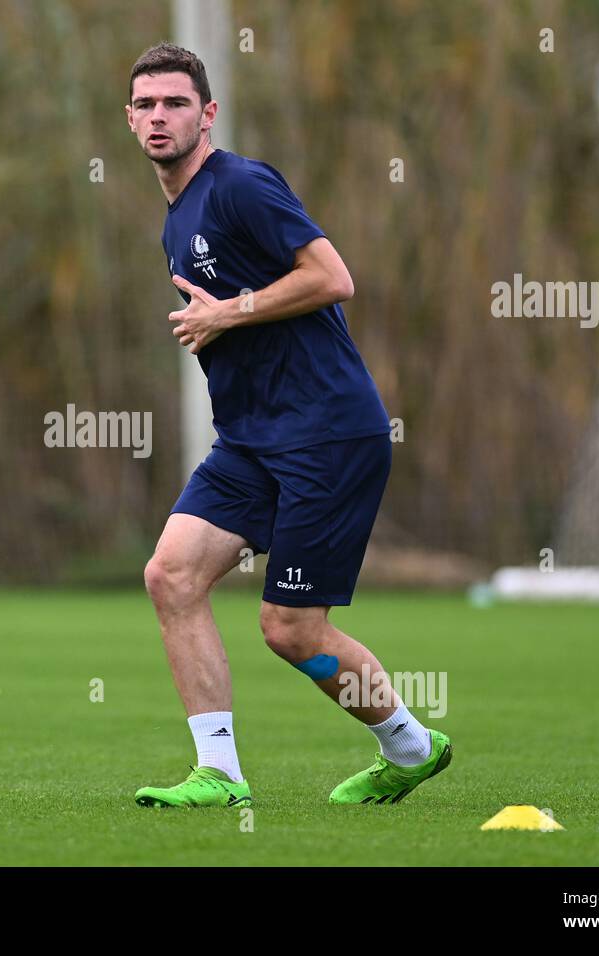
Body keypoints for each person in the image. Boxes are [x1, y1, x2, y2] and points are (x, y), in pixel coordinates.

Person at [125, 42, 452, 808]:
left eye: (175, 103)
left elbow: (333, 277)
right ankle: (221, 775)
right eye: (144, 105)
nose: (158, 117)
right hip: (250, 439)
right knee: (170, 576)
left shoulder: (240, 185)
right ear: (129, 120)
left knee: (291, 627)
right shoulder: (177, 217)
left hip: (326, 433)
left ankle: (409, 747)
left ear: (208, 114)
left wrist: (227, 311)